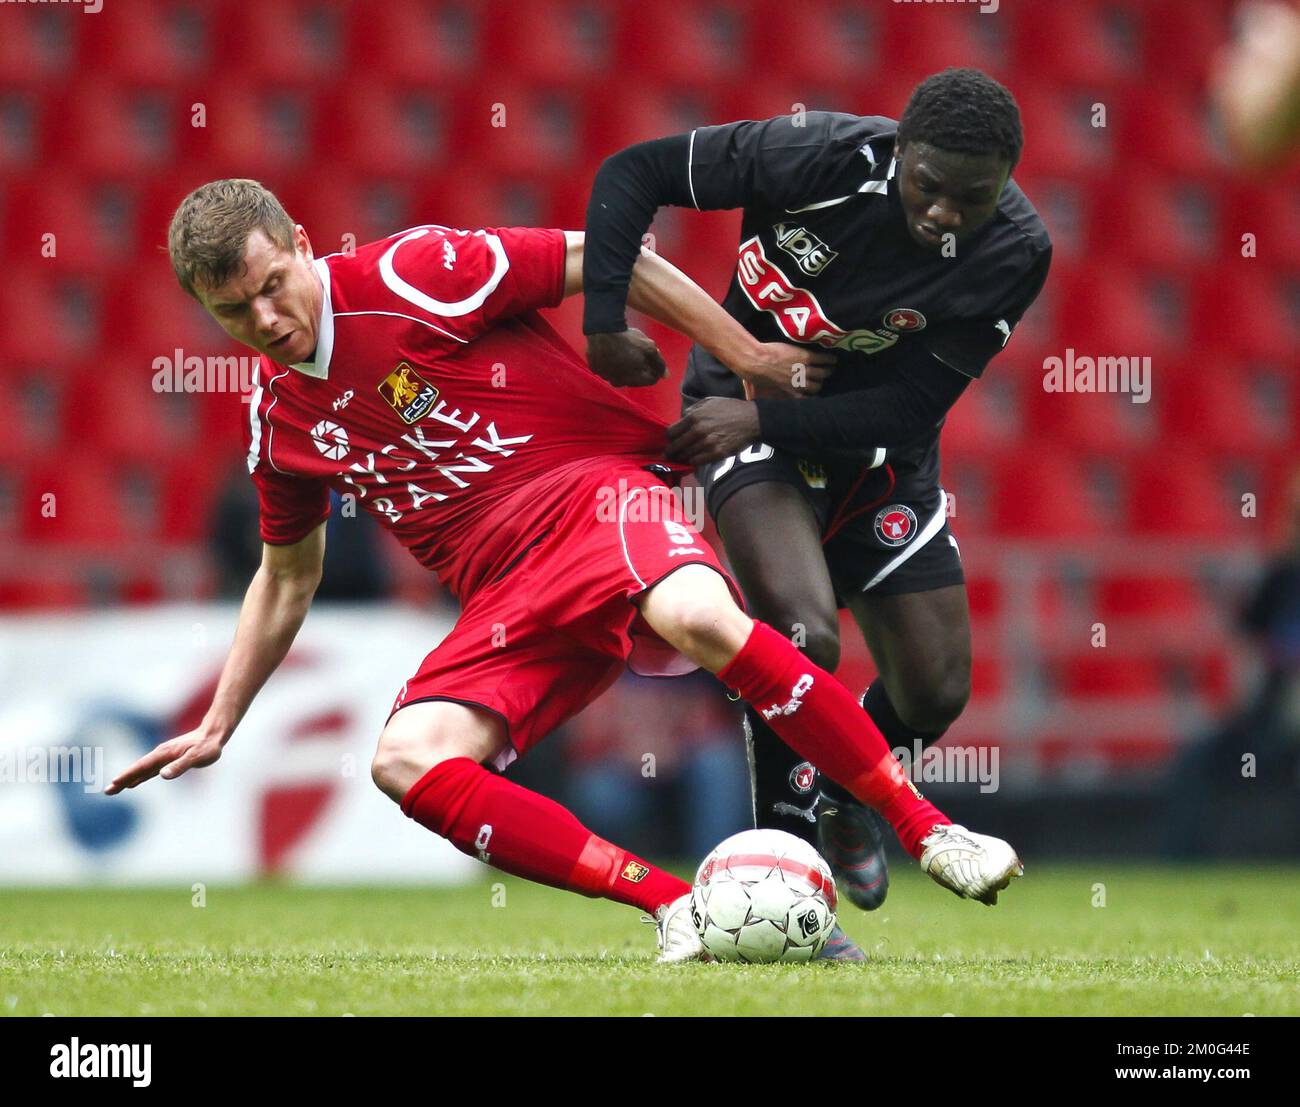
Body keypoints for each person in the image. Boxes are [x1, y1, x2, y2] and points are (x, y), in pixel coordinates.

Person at [105, 178, 1023, 964]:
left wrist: (744, 357)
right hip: (504, 596)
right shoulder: (280, 422)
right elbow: (285, 577)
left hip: (591, 496)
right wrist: (222, 718)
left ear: (304, 246)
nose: (265, 319)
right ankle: (677, 906)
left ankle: (928, 829)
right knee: (405, 761)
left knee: (698, 617)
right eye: (234, 311)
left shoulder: (412, 274)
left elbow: (612, 255)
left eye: (273, 285)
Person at [582, 68, 1051, 947]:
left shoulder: (1014, 251)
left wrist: (759, 408)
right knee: (804, 632)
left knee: (936, 690)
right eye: (930, 187)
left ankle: (843, 795)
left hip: (865, 453)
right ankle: (787, 880)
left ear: (1007, 184)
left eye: (973, 199)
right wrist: (606, 316)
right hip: (748, 434)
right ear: (898, 151)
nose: (947, 214)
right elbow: (632, 172)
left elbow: (911, 409)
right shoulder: (816, 156)